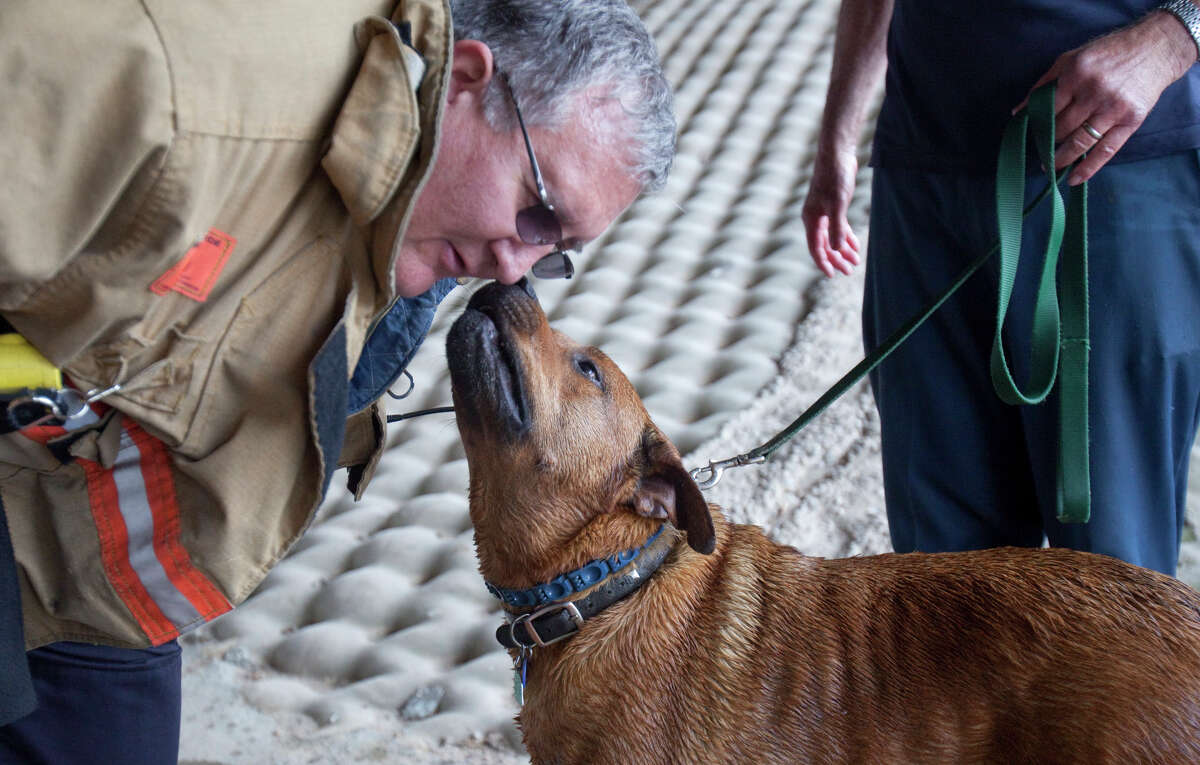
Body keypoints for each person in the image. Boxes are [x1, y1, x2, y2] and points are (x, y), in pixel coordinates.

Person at [0, 0, 675, 761]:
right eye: (538, 212)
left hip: (93, 590)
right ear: (466, 79)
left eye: (557, 250)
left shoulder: (430, 194)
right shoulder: (170, 91)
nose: (518, 269)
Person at [802, 1, 1200, 574]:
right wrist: (838, 135)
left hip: (1115, 163)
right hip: (923, 164)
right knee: (937, 572)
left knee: (1110, 572)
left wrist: (1172, 38)